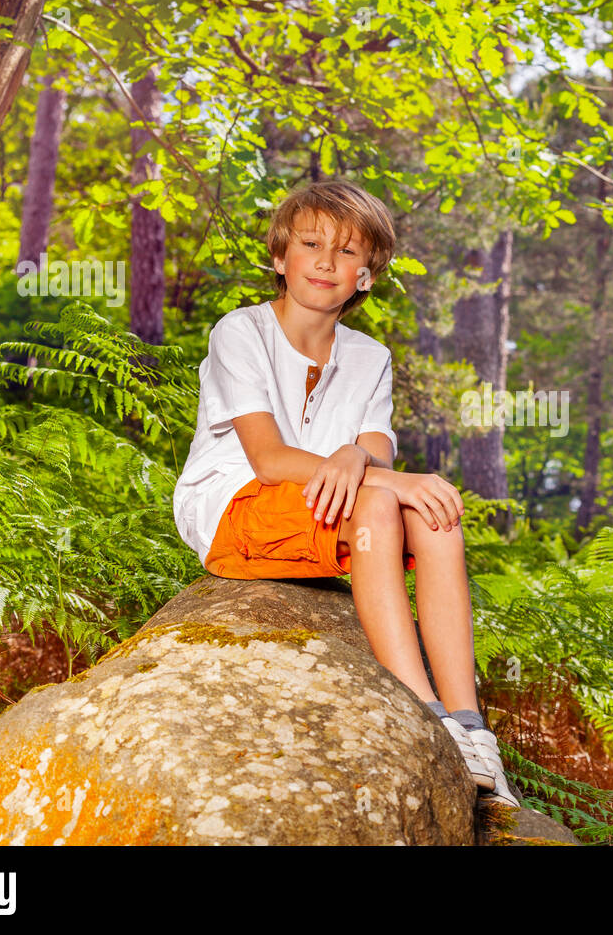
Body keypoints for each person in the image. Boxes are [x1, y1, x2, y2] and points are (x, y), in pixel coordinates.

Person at [172, 177, 519, 809]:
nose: (327, 262)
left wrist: (358, 456)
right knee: (387, 497)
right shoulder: (240, 332)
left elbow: (376, 453)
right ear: (281, 258)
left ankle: (471, 729)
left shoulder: (370, 357)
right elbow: (270, 459)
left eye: (348, 251)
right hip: (237, 508)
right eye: (311, 244)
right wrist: (378, 475)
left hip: (331, 508)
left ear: (368, 274)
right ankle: (426, 713)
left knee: (433, 515)